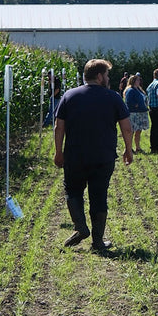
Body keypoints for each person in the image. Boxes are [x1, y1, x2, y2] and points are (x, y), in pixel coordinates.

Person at [52, 58, 134, 254]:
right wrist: (128, 149)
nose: (108, 78)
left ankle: (80, 227)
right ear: (99, 76)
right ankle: (98, 242)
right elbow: (127, 127)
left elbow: (58, 126)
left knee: (73, 191)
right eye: (107, 75)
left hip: (75, 155)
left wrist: (58, 151)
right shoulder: (113, 97)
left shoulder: (69, 96)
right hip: (103, 157)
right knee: (99, 196)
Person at [124, 73, 150, 153]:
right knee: (131, 131)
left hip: (141, 112)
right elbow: (128, 101)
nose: (139, 81)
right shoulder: (130, 90)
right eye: (138, 80)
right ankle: (129, 148)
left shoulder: (139, 89)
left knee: (138, 130)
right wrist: (135, 105)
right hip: (134, 113)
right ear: (133, 81)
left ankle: (138, 147)